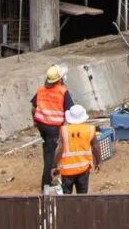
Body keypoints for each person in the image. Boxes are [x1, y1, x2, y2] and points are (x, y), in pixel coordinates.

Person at [31, 65, 73, 195]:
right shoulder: (63, 91)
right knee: (52, 155)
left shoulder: (41, 90)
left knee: (48, 149)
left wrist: (35, 121)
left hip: (41, 125)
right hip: (53, 127)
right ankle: (46, 183)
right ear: (59, 79)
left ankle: (49, 176)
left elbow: (33, 107)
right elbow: (70, 111)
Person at [55, 105, 101, 195]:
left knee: (66, 198)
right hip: (83, 169)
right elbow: (95, 146)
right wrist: (98, 162)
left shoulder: (64, 130)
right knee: (82, 196)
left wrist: (54, 165)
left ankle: (67, 209)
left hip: (67, 170)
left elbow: (59, 149)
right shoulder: (90, 129)